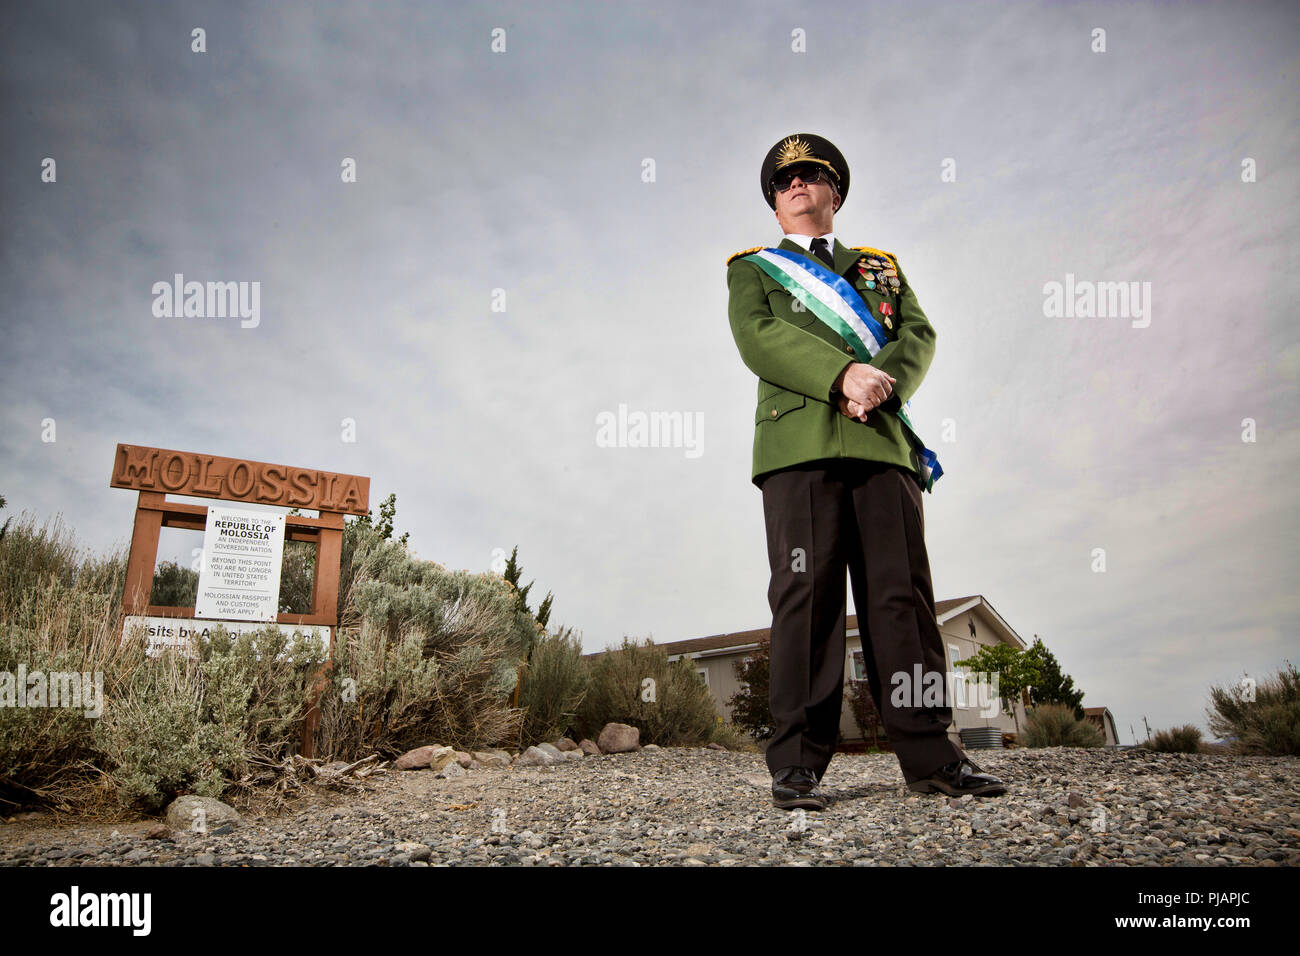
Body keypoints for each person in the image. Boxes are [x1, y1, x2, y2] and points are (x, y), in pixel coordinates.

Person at [725, 133, 1008, 810]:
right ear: (774, 202)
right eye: (785, 179)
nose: (799, 184)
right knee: (807, 599)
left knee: (901, 601)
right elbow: (759, 337)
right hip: (798, 448)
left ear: (835, 193)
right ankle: (796, 763)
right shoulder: (753, 268)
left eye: (812, 174)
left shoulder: (880, 266)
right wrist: (841, 374)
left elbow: (918, 336)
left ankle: (932, 755)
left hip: (880, 445)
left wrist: (882, 385)